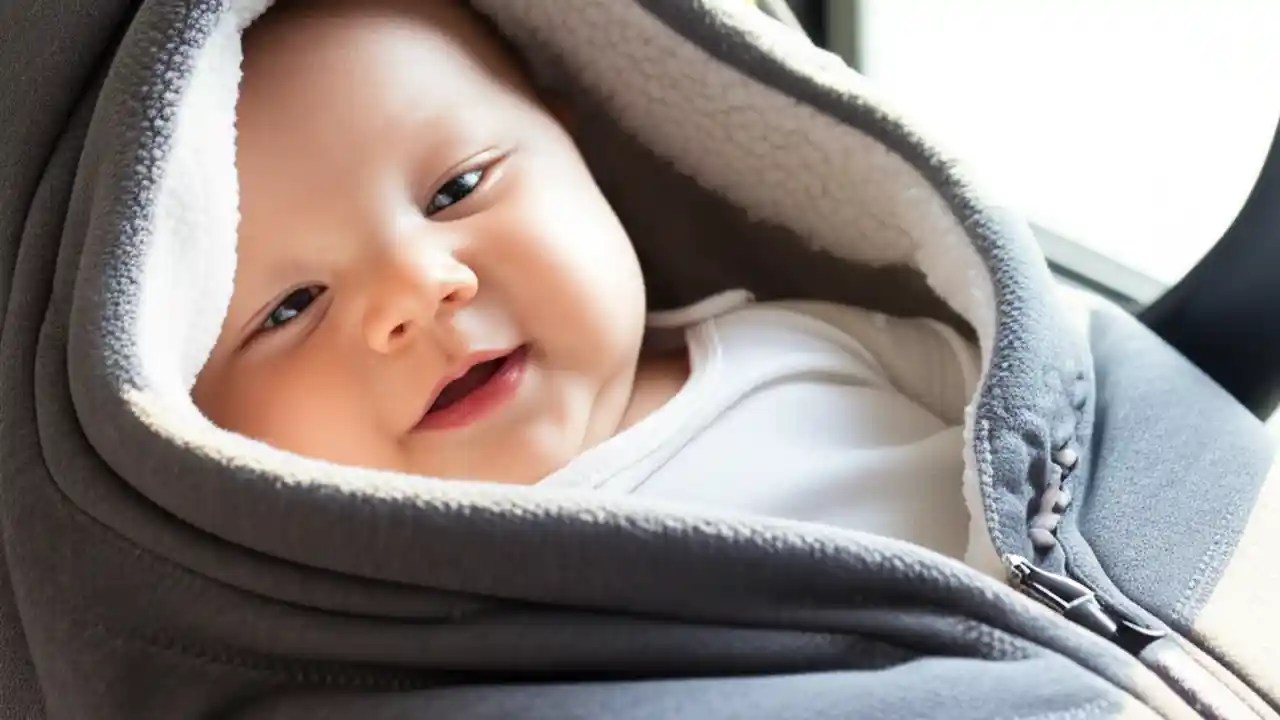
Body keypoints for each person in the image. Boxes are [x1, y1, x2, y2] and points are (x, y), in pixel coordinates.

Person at [193, 0, 980, 560]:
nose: (420, 287)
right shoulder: (361, 628)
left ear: (580, 156)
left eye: (457, 190)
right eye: (293, 306)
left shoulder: (805, 343)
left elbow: (1064, 434)